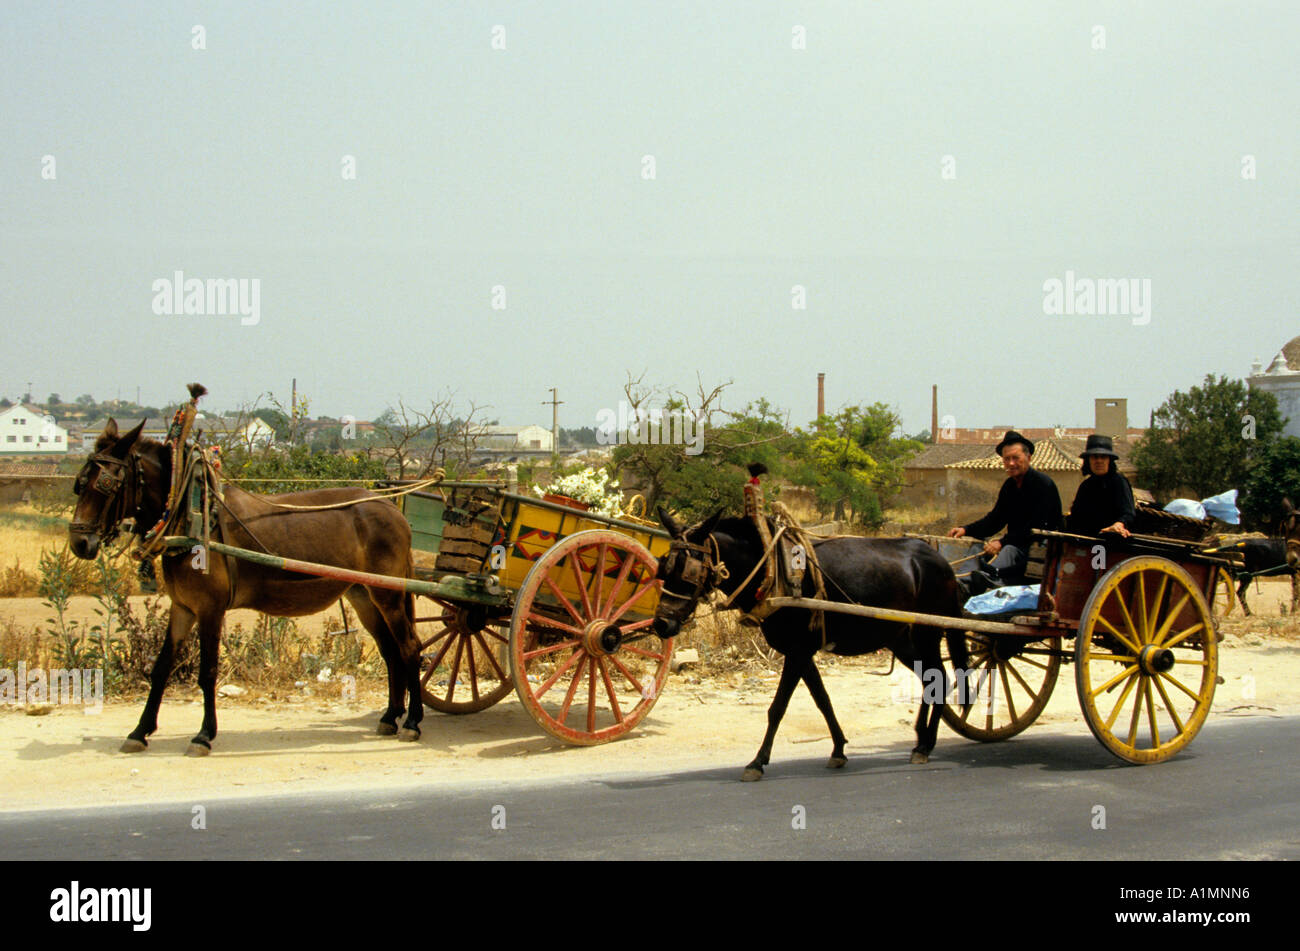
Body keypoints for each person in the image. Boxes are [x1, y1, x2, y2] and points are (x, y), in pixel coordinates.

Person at [948, 430, 1063, 591]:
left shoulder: (1043, 485)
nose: (1010, 463)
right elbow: (995, 519)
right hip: (1012, 545)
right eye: (1006, 459)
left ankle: (989, 580)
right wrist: (965, 529)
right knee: (977, 547)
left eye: (1015, 458)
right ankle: (961, 586)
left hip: (1035, 549)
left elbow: (1037, 527)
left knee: (1009, 550)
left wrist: (1002, 542)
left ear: (1028, 458)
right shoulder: (1009, 486)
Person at [1065, 434, 1135, 538]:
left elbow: (1128, 514)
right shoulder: (1085, 486)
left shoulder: (1119, 482)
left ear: (1109, 461)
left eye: (1103, 457)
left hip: (1112, 541)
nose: (1099, 461)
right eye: (1094, 457)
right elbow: (1076, 517)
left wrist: (1118, 525)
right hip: (1087, 541)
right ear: (1088, 461)